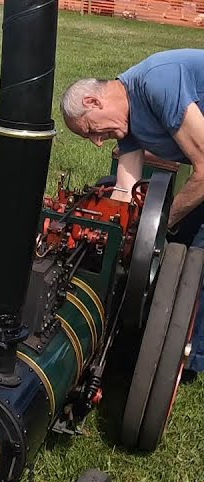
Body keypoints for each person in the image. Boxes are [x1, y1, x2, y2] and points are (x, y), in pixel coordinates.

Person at [60, 49, 204, 375]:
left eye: (90, 131)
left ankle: (187, 363)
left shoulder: (157, 83)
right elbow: (125, 195)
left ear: (93, 103)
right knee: (176, 250)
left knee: (195, 260)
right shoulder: (128, 121)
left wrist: (162, 223)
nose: (97, 143)